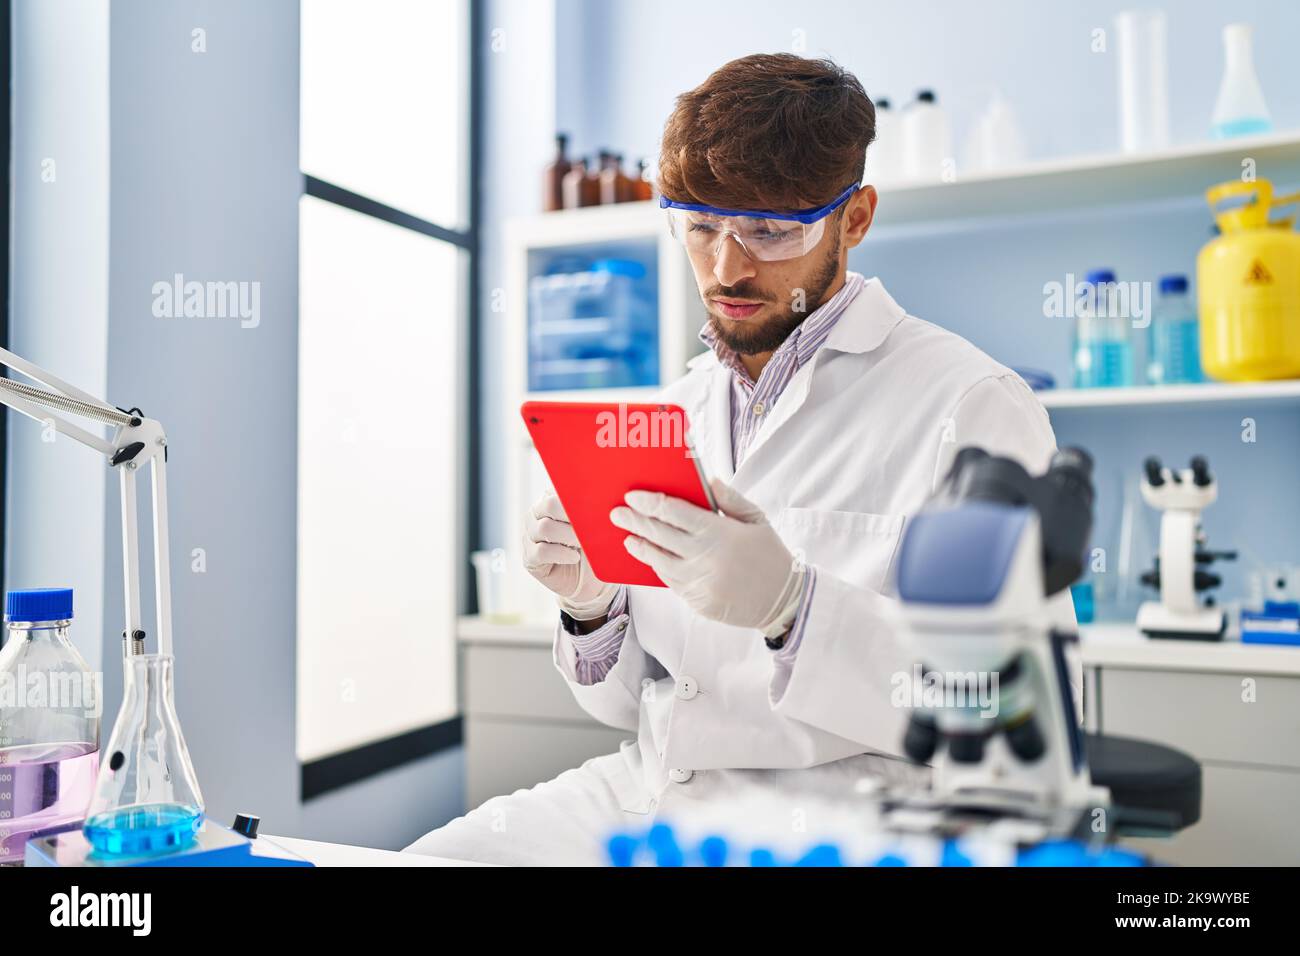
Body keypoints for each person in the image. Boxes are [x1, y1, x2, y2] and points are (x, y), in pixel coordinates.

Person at [406, 53, 1068, 865]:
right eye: (701, 226)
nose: (726, 268)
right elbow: (634, 705)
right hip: (647, 794)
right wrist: (592, 609)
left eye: (769, 230)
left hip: (847, 818)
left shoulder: (971, 405)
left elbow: (1021, 715)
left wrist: (794, 609)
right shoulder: (670, 412)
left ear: (854, 218)